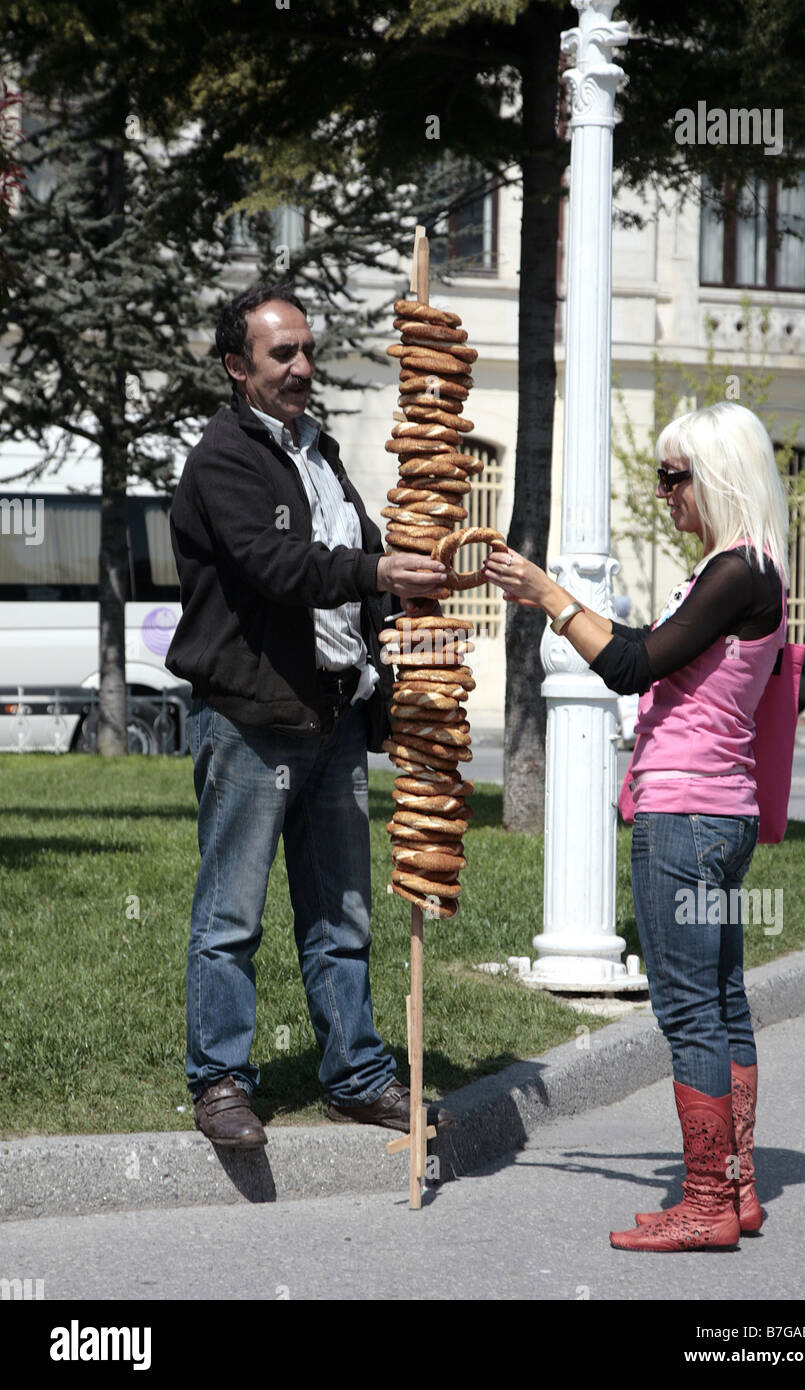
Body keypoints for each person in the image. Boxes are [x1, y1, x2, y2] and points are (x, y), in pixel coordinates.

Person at [484, 401, 790, 1251]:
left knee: (691, 1011)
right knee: (722, 1004)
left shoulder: (736, 571)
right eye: (658, 476)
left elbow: (627, 664)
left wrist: (545, 592)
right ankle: (734, 1191)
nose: (663, 493)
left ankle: (703, 1207)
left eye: (673, 477)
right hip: (718, 815)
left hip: (685, 816)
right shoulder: (750, 570)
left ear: (717, 477)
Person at [166, 282, 451, 1146]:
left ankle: (357, 1076)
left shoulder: (321, 453)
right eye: (279, 353)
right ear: (235, 367)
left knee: (342, 916)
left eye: (305, 350)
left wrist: (398, 644)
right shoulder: (222, 458)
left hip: (332, 717)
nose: (300, 366)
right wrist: (375, 573)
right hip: (251, 720)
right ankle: (219, 1081)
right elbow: (277, 565)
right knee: (230, 917)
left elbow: (363, 566)